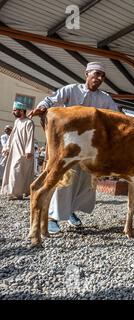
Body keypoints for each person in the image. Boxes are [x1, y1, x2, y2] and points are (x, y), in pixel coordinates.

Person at [29, 62, 120, 234]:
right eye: (96, 74)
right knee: (65, 179)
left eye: (102, 76)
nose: (99, 78)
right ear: (87, 74)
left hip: (89, 147)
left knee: (85, 181)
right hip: (67, 145)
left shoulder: (105, 98)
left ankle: (70, 211)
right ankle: (53, 216)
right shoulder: (71, 90)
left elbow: (116, 116)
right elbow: (51, 100)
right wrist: (41, 107)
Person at [1, 102, 35, 200]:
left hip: (23, 152)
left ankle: (17, 193)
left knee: (18, 171)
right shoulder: (17, 122)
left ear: (21, 111)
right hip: (14, 151)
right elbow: (12, 136)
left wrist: (29, 150)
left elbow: (30, 137)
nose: (13, 112)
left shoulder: (29, 122)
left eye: (15, 110)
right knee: (13, 171)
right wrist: (7, 147)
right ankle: (14, 193)